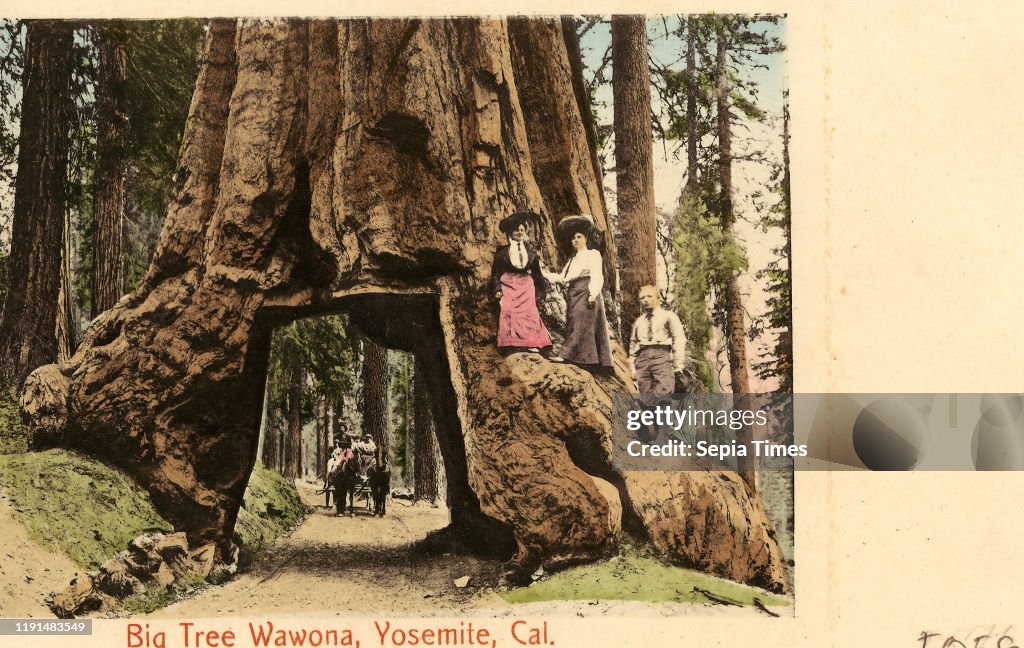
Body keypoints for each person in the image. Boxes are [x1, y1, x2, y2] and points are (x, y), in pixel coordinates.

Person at [542, 214, 613, 370]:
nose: (575, 240)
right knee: (575, 323)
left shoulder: (592, 254)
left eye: (579, 237)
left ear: (586, 238)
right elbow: (563, 277)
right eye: (573, 238)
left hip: (587, 291)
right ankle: (587, 360)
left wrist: (593, 293)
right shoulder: (572, 259)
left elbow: (596, 275)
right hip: (573, 294)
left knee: (581, 324)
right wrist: (544, 274)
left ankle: (565, 355)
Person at [490, 211, 553, 355]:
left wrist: (541, 291)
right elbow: (495, 274)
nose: (519, 232)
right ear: (510, 232)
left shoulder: (531, 252)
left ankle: (532, 343)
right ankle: (511, 344)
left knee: (529, 313)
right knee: (508, 311)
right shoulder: (502, 253)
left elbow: (537, 273)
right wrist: (497, 289)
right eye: (516, 230)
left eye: (522, 230)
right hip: (508, 285)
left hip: (526, 286)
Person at [629, 285, 687, 395]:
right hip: (642, 361)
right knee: (646, 398)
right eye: (642, 298)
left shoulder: (668, 316)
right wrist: (632, 368)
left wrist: (678, 366)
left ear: (657, 298)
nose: (646, 300)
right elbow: (633, 345)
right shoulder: (639, 322)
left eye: (649, 296)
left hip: (662, 358)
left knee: (663, 395)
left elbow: (679, 339)